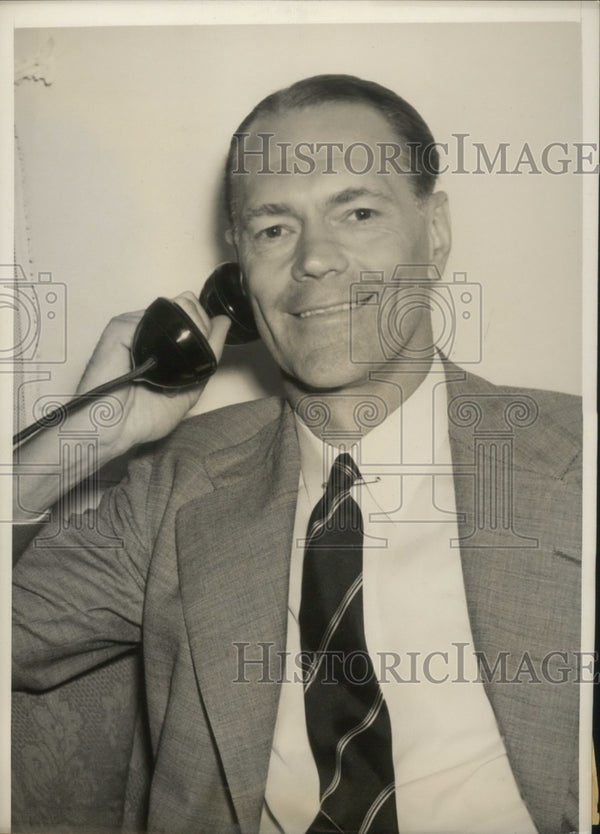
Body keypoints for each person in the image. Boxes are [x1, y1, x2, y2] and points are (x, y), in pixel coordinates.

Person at [12, 75, 582, 834]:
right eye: (274, 229)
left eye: (359, 212)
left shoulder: (576, 460)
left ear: (434, 232)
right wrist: (84, 438)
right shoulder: (176, 485)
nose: (314, 259)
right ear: (238, 275)